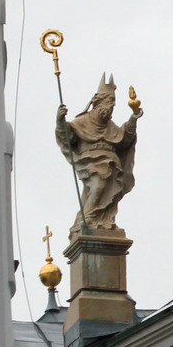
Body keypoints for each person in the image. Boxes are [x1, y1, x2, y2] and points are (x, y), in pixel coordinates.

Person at [56, 76, 142, 234]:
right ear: (98, 103)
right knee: (97, 187)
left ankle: (96, 220)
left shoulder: (110, 125)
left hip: (112, 164)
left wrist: (133, 118)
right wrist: (60, 121)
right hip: (92, 161)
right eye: (109, 104)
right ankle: (87, 219)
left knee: (102, 193)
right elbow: (68, 137)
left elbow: (124, 139)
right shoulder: (82, 122)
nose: (111, 109)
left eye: (112, 106)